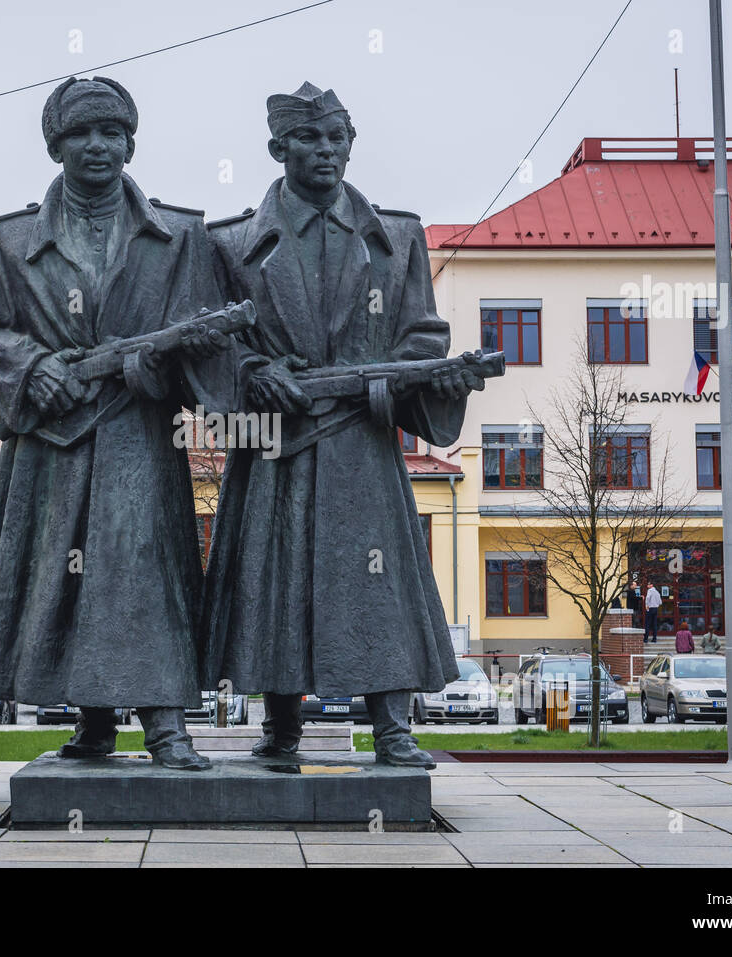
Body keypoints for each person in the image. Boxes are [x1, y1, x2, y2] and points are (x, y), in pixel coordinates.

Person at [0, 76, 237, 770]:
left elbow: (208, 349)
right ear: (56, 144)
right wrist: (29, 368)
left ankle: (167, 725)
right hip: (54, 445)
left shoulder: (179, 236)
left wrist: (156, 372)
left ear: (131, 141)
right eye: (82, 132)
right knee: (67, 581)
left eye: (112, 132)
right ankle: (94, 721)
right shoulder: (14, 241)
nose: (99, 145)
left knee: (143, 574)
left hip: (137, 434)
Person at [201, 83, 483, 769]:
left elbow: (420, 335)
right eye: (309, 138)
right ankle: (281, 730)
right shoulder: (233, 244)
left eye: (336, 138)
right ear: (278, 147)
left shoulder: (398, 238)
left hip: (361, 443)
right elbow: (211, 344)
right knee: (277, 589)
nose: (325, 151)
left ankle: (392, 728)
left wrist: (428, 375)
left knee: (376, 587)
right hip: (278, 448)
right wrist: (252, 371)